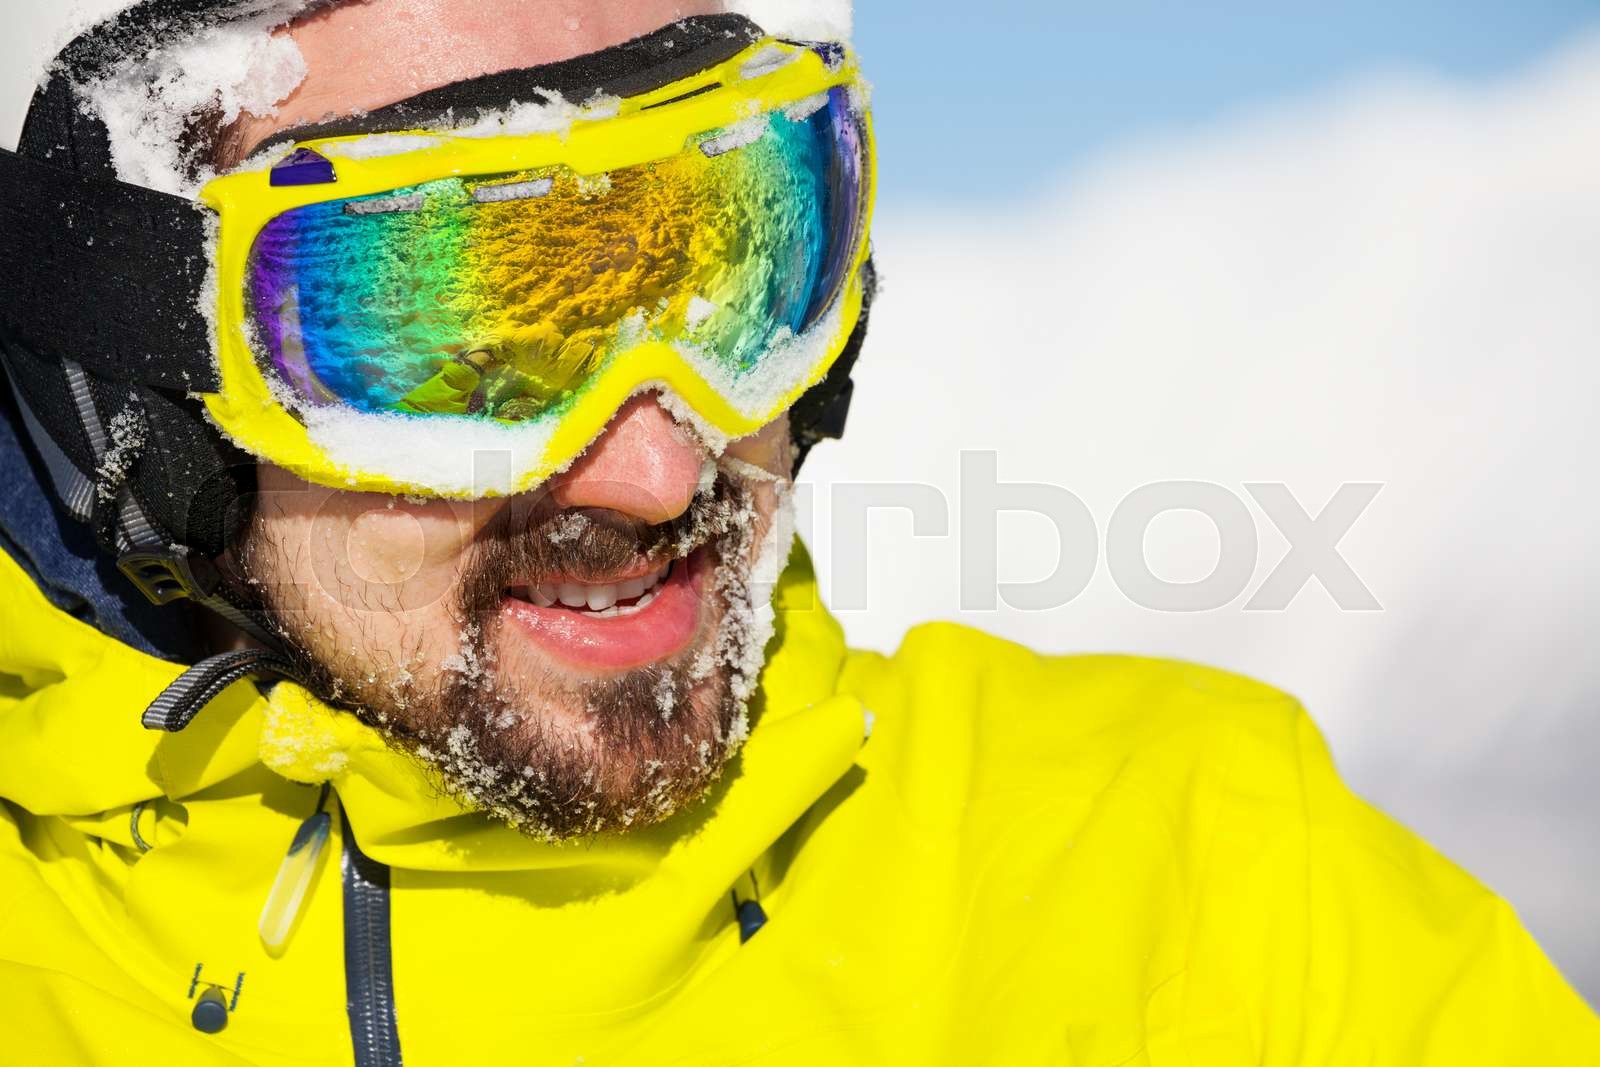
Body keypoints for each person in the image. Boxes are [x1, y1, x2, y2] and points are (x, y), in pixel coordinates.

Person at [0, 1, 1595, 1063]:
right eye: (439, 321)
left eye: (732, 257)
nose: (649, 472)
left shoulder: (1203, 901)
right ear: (122, 375)